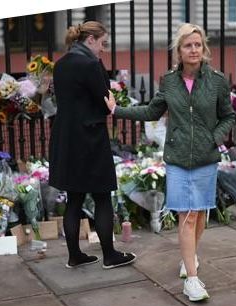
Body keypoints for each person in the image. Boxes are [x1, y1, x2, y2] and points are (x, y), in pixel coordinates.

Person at [109, 23, 235, 302]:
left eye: (197, 45)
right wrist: (117, 110)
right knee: (187, 216)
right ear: (178, 51)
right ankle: (192, 279)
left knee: (200, 213)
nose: (193, 50)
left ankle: (188, 258)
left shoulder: (216, 81)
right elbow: (152, 111)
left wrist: (214, 139)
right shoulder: (169, 81)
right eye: (188, 45)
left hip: (206, 158)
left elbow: (228, 117)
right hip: (178, 158)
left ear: (204, 49)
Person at [48, 20, 137, 270]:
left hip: (66, 137)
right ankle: (110, 255)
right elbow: (105, 102)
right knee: (102, 196)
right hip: (90, 137)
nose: (103, 49)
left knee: (74, 198)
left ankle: (75, 255)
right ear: (90, 40)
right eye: (102, 43)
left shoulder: (61, 63)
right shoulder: (90, 63)